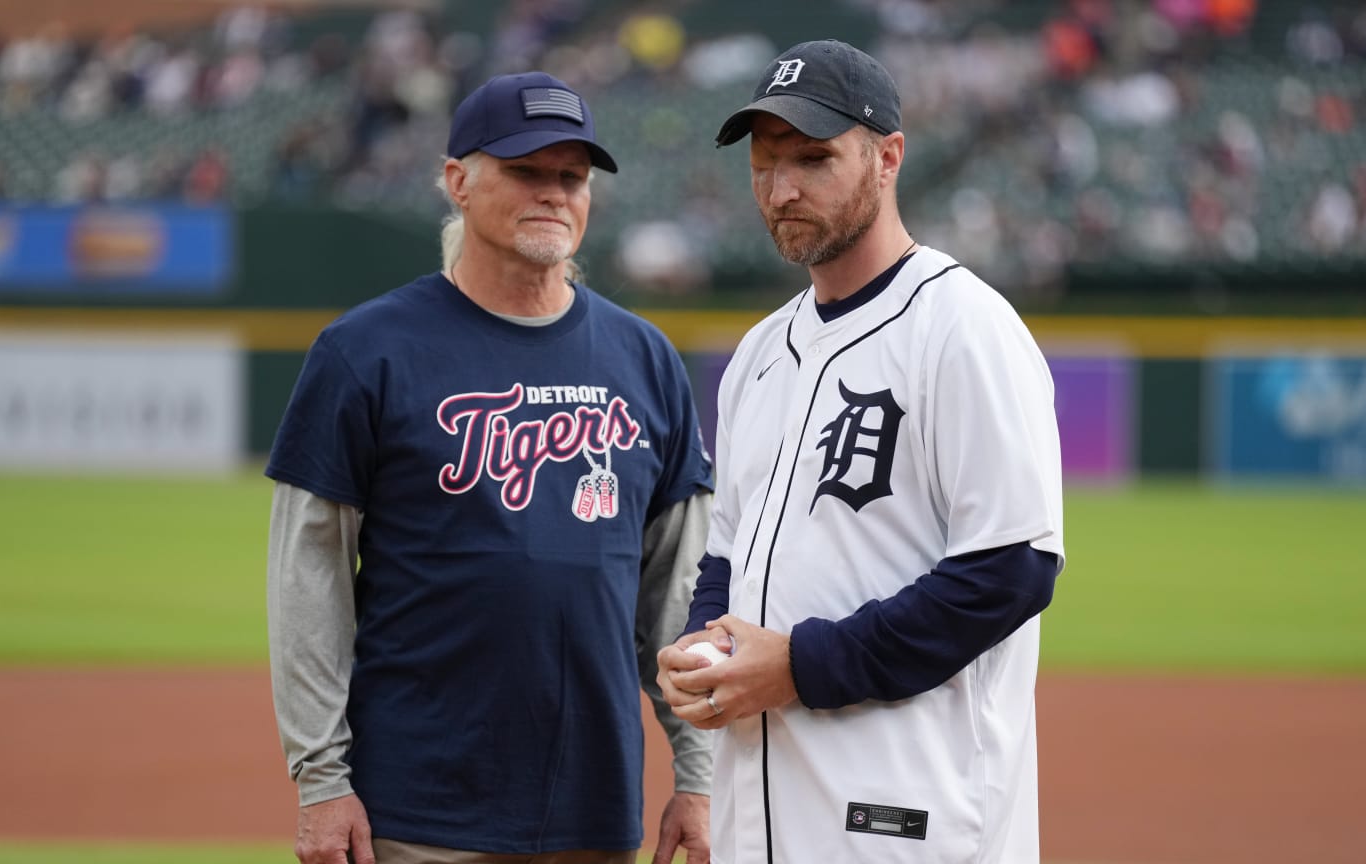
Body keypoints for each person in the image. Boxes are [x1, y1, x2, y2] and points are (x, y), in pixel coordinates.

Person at [266, 71, 715, 864]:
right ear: (458, 182)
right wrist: (322, 782)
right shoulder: (364, 351)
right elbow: (309, 580)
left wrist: (700, 772)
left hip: (597, 801)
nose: (553, 194)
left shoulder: (642, 357)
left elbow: (678, 592)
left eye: (571, 177)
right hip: (418, 806)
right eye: (525, 171)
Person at [656, 40, 1066, 863]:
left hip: (910, 820)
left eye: (813, 158)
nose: (783, 189)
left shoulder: (962, 327)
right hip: (762, 817)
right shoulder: (761, 354)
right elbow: (726, 561)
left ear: (888, 158)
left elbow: (1011, 570)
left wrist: (801, 666)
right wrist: (705, 647)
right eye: (765, 165)